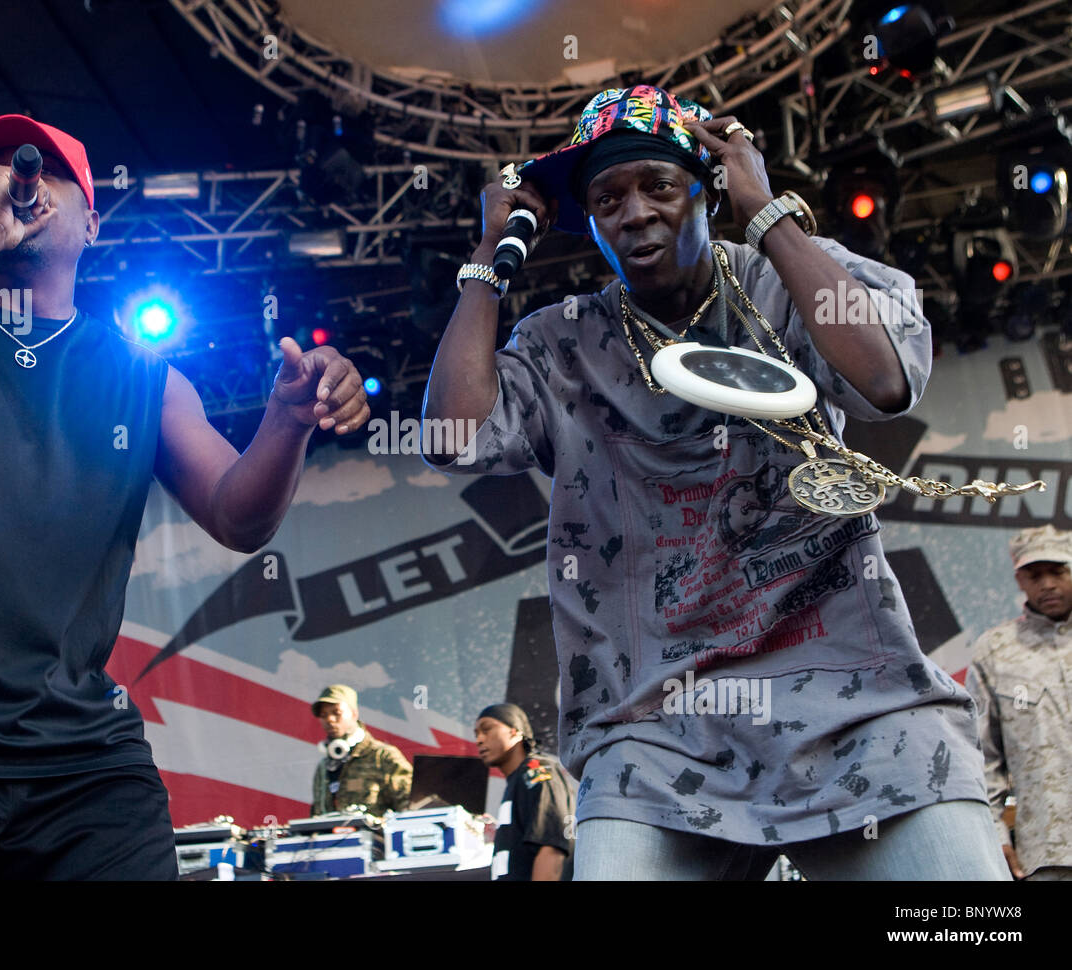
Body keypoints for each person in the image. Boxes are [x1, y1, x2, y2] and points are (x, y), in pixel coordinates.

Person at [422, 84, 1009, 879]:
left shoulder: (784, 281)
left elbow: (885, 380)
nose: (634, 212)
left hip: (855, 698)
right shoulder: (565, 343)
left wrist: (766, 212)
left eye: (659, 185)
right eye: (607, 197)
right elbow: (455, 439)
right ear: (589, 220)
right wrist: (487, 259)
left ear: (709, 187)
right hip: (653, 727)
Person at [0, 115, 370, 880]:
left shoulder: (140, 375)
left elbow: (236, 515)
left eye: (47, 171)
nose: (19, 179)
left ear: (91, 220)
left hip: (77, 753)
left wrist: (286, 425)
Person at [966, 525, 1072, 881]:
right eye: (1034, 575)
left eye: (1058, 572)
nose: (1047, 585)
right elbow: (981, 757)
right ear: (1019, 580)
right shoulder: (996, 650)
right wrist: (993, 833)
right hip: (1047, 852)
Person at [475, 703, 573, 881]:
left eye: (487, 729)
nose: (479, 739)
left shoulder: (536, 770)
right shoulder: (518, 779)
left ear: (515, 731)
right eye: (476, 734)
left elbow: (551, 846)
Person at [310, 685, 412, 817]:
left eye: (337, 713)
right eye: (324, 715)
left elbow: (410, 808)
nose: (330, 720)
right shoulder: (323, 767)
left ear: (354, 714)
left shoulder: (383, 756)